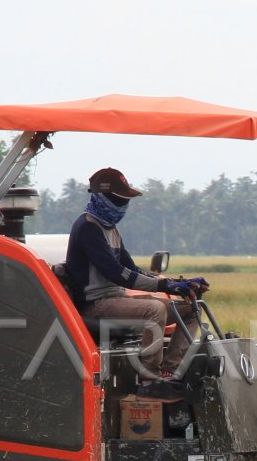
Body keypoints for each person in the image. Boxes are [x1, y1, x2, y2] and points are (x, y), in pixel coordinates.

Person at [65, 168, 209, 400]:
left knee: (192, 309)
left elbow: (132, 268)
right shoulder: (87, 227)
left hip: (118, 299)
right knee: (155, 309)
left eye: (125, 201)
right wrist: (165, 288)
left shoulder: (110, 229)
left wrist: (179, 284)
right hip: (97, 304)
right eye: (119, 200)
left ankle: (168, 373)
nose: (123, 206)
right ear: (101, 197)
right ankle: (148, 380)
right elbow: (117, 273)